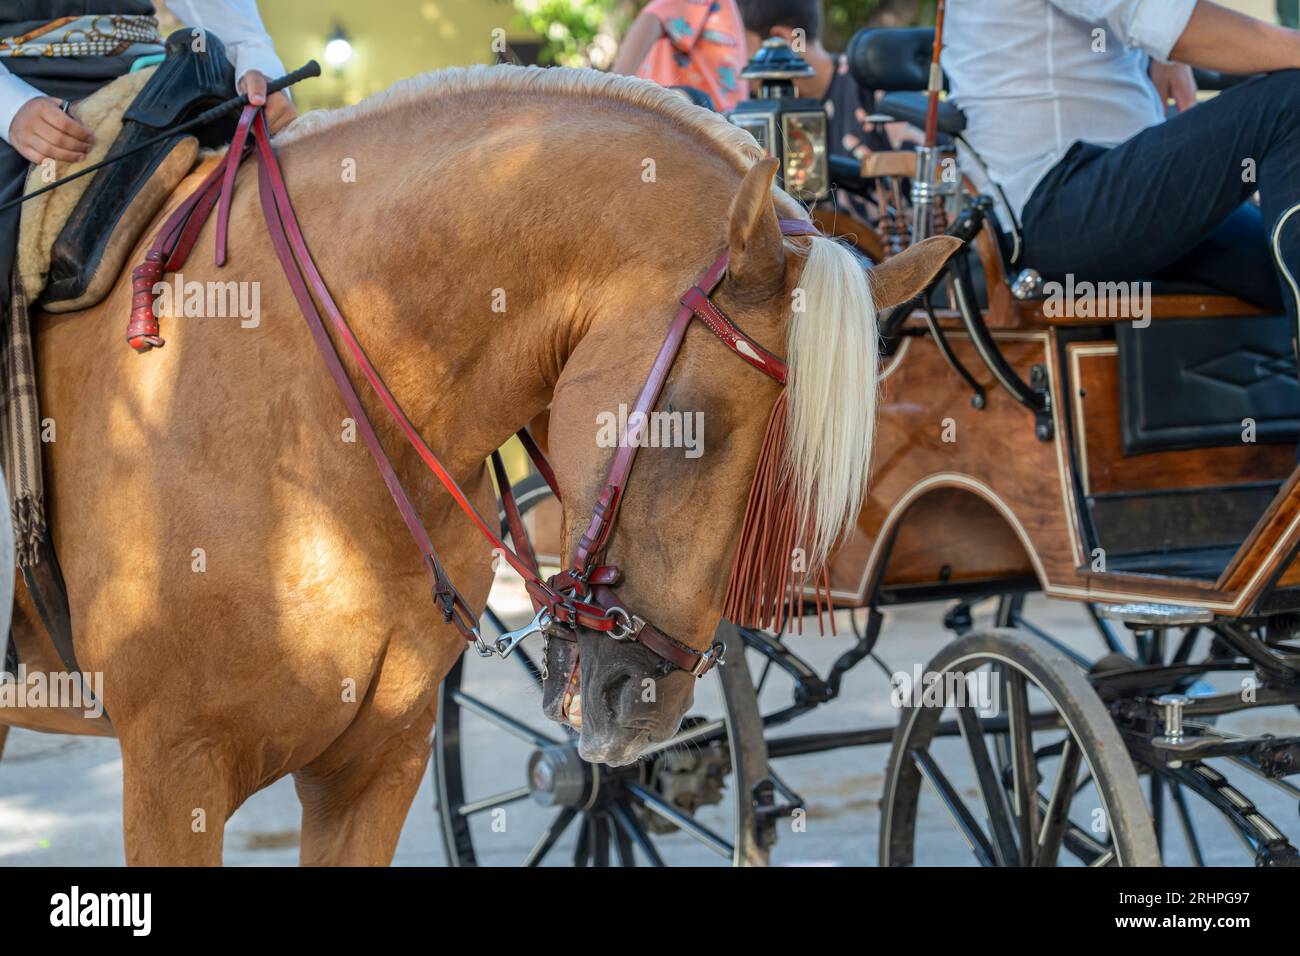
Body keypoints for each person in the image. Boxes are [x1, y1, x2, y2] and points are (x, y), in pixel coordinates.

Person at [945, 0, 1300, 324]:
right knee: (1291, 100)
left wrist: (1165, 57)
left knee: (1285, 264)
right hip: (1054, 204)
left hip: (1118, 189)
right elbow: (1157, 19)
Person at [0, 1, 294, 310]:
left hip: (156, 79)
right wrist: (12, 110)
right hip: (23, 89)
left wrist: (255, 62)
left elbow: (233, 30)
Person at [612, 0, 750, 111]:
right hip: (705, 121)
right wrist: (614, 92)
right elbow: (652, 18)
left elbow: (652, 18)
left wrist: (613, 91)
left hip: (707, 121)